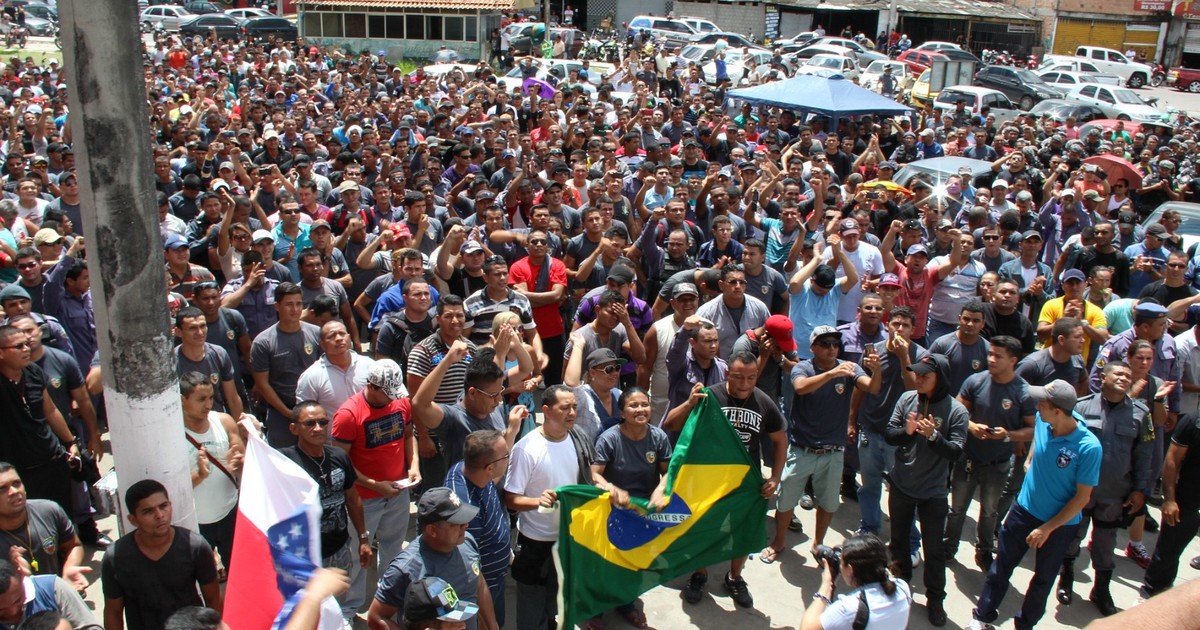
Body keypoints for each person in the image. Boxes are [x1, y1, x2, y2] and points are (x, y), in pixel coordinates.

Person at [966, 380, 1101, 630]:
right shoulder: (1043, 420)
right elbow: (1036, 447)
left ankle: (1024, 625)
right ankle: (982, 617)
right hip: (1024, 511)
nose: (1037, 406)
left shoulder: (1088, 447)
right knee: (1001, 567)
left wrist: (1047, 528)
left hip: (1058, 525)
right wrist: (1029, 462)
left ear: (1058, 411)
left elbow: (1082, 499)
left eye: (1042, 402)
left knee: (1042, 580)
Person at [761, 326, 880, 565]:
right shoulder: (805, 367)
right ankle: (779, 541)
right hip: (801, 448)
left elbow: (872, 387)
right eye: (825, 344)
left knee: (827, 503)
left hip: (833, 451)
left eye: (835, 344)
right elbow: (800, 387)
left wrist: (876, 371)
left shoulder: (849, 368)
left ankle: (818, 543)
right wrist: (832, 374)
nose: (832, 348)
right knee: (786, 501)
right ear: (813, 347)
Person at [680, 350, 788, 606]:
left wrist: (775, 476)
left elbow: (780, 439)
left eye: (751, 377)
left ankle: (735, 577)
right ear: (728, 373)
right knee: (705, 528)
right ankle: (699, 573)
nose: (745, 383)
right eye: (739, 377)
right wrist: (688, 404)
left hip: (746, 480)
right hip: (711, 476)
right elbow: (672, 425)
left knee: (742, 531)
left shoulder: (763, 401)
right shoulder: (710, 396)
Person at [1055, 361, 1154, 616]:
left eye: (1128, 376)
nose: (1124, 378)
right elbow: (1065, 445)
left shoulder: (1140, 414)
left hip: (1114, 493)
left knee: (1105, 543)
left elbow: (1145, 455)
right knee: (1072, 534)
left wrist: (1140, 489)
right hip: (1079, 491)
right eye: (1119, 373)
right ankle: (1066, 576)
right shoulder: (1080, 407)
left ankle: (1101, 589)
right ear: (1103, 376)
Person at [331, 359, 419, 619]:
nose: (392, 399)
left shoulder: (400, 402)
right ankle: (348, 609)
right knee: (359, 556)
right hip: (364, 500)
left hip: (398, 492)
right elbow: (340, 463)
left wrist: (413, 464)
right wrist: (373, 484)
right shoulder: (348, 415)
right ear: (371, 386)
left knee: (394, 549)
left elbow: (408, 434)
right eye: (387, 393)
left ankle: (388, 602)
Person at [884, 353, 968, 627]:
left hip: (933, 493)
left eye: (925, 376)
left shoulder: (957, 411)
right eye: (916, 374)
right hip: (901, 484)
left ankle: (935, 599)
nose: (918, 379)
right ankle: (900, 590)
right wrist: (907, 432)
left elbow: (955, 452)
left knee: (933, 550)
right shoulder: (907, 399)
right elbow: (889, 434)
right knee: (898, 542)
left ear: (940, 379)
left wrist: (933, 436)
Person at [503, 385, 594, 630]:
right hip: (535, 542)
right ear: (546, 410)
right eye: (565, 408)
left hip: (568, 538)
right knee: (531, 604)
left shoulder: (579, 437)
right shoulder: (527, 449)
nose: (572, 412)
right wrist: (537, 501)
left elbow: (589, 476)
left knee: (557, 597)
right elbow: (511, 498)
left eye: (574, 406)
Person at [945, 336, 1037, 571]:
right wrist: (971, 426)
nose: (991, 359)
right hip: (967, 458)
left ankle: (984, 551)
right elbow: (957, 410)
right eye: (990, 354)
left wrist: (1008, 435)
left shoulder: (1024, 392)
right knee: (956, 509)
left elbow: (1032, 429)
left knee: (989, 512)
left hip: (998, 464)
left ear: (1013, 361)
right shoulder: (975, 381)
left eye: (998, 356)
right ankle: (949, 546)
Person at [280, 401, 370, 625]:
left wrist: (363, 537)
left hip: (339, 548)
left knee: (335, 601)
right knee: (306, 604)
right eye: (310, 423)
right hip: (304, 553)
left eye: (323, 422)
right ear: (294, 428)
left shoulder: (339, 456)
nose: (318, 428)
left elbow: (352, 498)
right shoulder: (285, 462)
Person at [589, 388, 670, 627]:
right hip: (611, 510)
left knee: (634, 562)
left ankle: (626, 603)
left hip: (643, 512)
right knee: (606, 562)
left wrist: (660, 490)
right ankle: (596, 609)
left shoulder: (658, 437)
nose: (640, 410)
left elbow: (668, 472)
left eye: (644, 404)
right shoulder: (610, 438)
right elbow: (594, 475)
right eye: (633, 406)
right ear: (622, 412)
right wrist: (611, 489)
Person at [365, 488, 498, 630]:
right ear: (432, 530)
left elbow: (478, 582)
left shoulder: (467, 542)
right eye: (455, 523)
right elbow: (376, 617)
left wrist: (492, 626)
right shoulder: (405, 568)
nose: (465, 525)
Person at [100, 479, 221, 630]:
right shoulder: (115, 557)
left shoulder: (195, 547)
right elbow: (113, 612)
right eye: (148, 511)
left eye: (163, 506)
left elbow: (213, 601)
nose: (159, 515)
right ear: (133, 520)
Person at [179, 372, 244, 578]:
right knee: (204, 579)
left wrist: (241, 462)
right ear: (182, 400)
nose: (208, 405)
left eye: (210, 398)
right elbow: (170, 492)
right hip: (195, 524)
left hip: (230, 515)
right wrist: (198, 476)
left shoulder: (224, 422)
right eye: (201, 399)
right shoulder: (171, 435)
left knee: (238, 574)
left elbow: (245, 463)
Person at [444, 431, 511, 627]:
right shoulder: (465, 509)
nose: (508, 458)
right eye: (506, 456)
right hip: (482, 589)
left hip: (495, 578)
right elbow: (470, 569)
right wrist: (488, 623)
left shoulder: (471, 470)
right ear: (490, 468)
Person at [249, 282, 323, 447]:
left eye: (299, 304)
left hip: (315, 410)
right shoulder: (263, 342)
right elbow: (262, 384)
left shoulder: (316, 333)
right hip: (281, 413)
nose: (295, 309)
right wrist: (289, 413)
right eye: (289, 304)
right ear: (277, 306)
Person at [1139, 411, 1200, 599]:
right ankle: (1150, 595)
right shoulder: (1192, 422)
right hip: (1187, 499)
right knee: (1167, 553)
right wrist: (1170, 499)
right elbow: (1172, 460)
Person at [0, 464, 88, 592]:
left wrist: (69, 568)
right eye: (2, 488)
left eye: (16, 483)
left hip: (57, 600)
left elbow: (74, 545)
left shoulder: (49, 510)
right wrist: (11, 573)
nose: (14, 491)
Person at [798, 533, 912, 630]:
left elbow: (807, 628)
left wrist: (827, 584)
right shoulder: (902, 587)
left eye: (842, 563)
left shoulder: (850, 608)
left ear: (851, 569)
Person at [0, 558, 100, 630]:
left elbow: (90, 627)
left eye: (18, 600)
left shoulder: (52, 588)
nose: (13, 612)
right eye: (2, 609)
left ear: (21, 576)